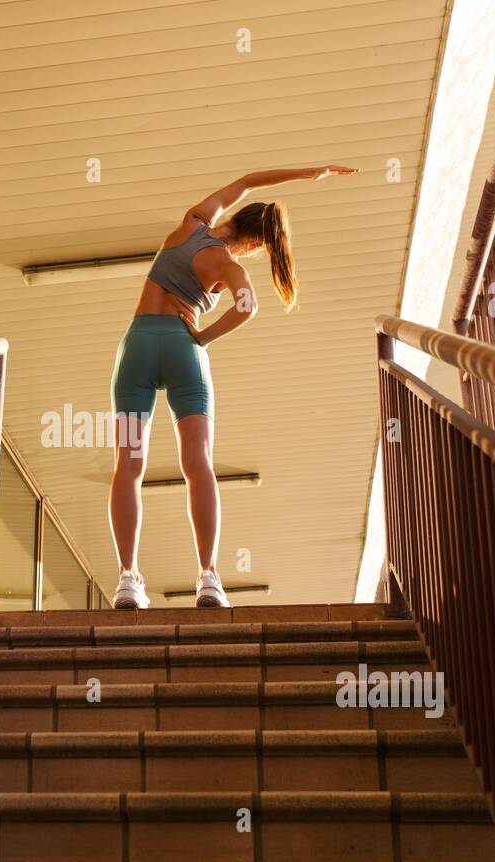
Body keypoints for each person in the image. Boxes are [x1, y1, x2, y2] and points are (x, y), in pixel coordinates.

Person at [108, 164, 358, 609]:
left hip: (138, 348)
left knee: (129, 464)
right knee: (197, 463)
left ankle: (128, 579)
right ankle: (208, 578)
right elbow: (248, 307)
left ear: (236, 217)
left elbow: (246, 181)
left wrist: (310, 173)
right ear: (257, 243)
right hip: (185, 353)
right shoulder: (227, 265)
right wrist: (202, 337)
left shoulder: (193, 223)